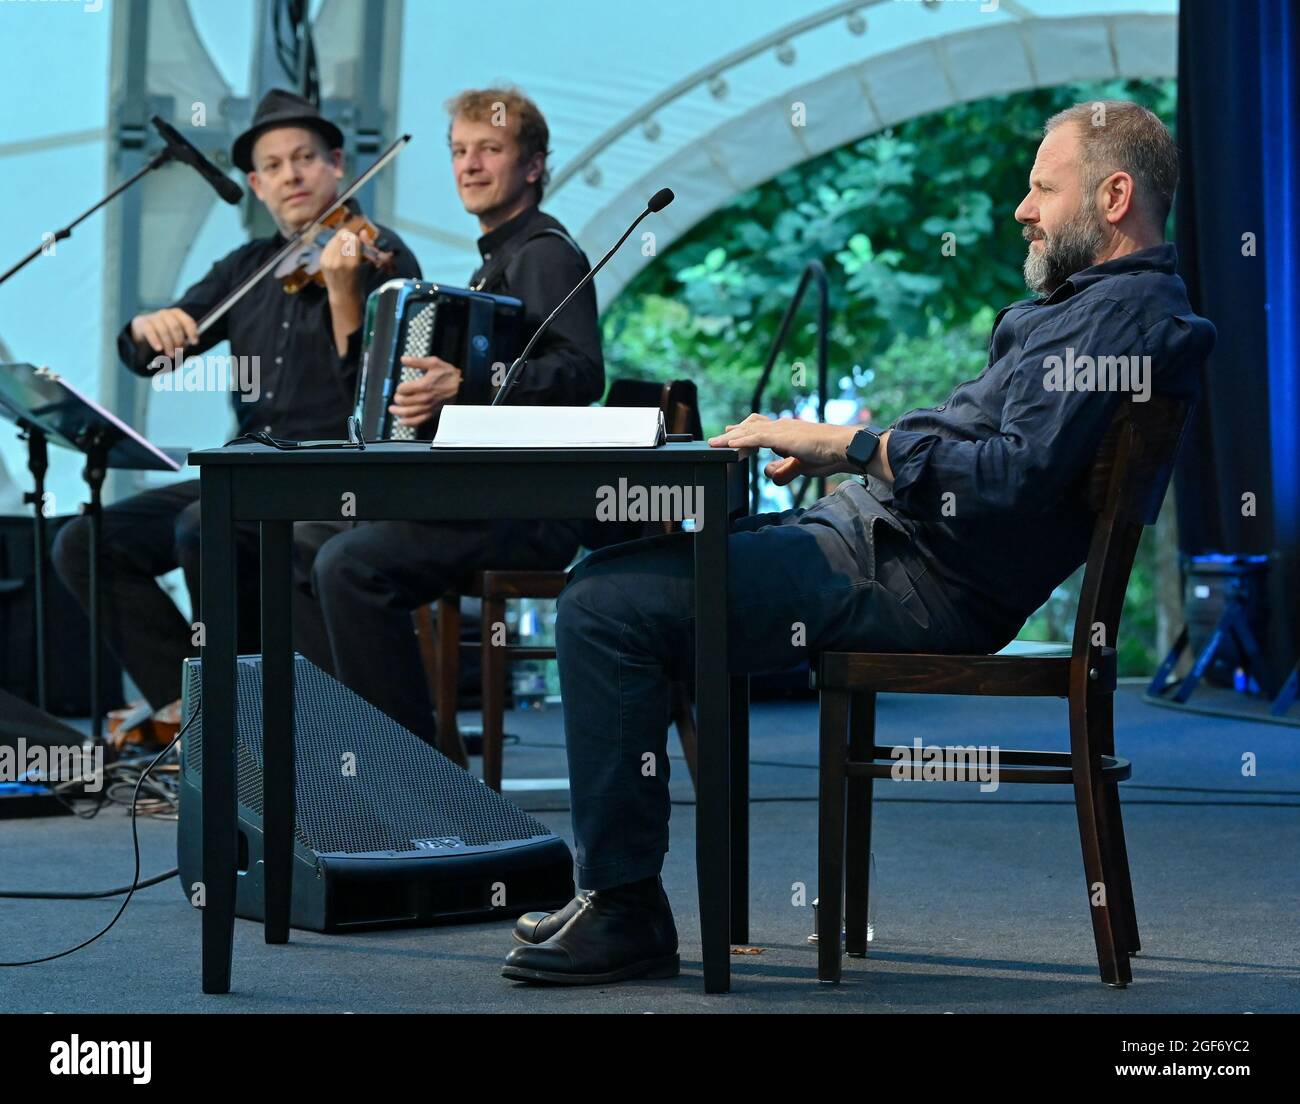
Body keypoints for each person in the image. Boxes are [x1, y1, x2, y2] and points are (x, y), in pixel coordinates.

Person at [502, 100, 1217, 985]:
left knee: (605, 606)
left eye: (1042, 187)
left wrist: (852, 445)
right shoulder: (1098, 309)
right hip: (883, 547)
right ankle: (616, 890)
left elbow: (1011, 480)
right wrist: (846, 458)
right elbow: (994, 459)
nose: (1022, 209)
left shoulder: (1120, 318)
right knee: (621, 570)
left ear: (1115, 196)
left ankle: (625, 911)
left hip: (912, 579)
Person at [52, 89, 420, 714]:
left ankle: (259, 720)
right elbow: (151, 356)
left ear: (336, 163)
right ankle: (196, 709)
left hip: (333, 472)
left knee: (208, 524)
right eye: (273, 166)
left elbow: (376, 396)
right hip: (247, 468)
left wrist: (342, 296)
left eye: (305, 158)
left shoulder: (377, 254)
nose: (292, 175)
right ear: (254, 183)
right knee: (86, 542)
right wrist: (148, 328)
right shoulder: (246, 267)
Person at [303, 87, 604, 744]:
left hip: (531, 507)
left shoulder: (545, 252)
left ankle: (416, 773)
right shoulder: (497, 257)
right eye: (460, 151)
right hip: (480, 492)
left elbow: (582, 373)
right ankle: (337, 746)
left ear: (533, 165)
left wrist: (461, 384)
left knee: (348, 565)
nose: (469, 165)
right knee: (297, 540)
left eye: (489, 149)